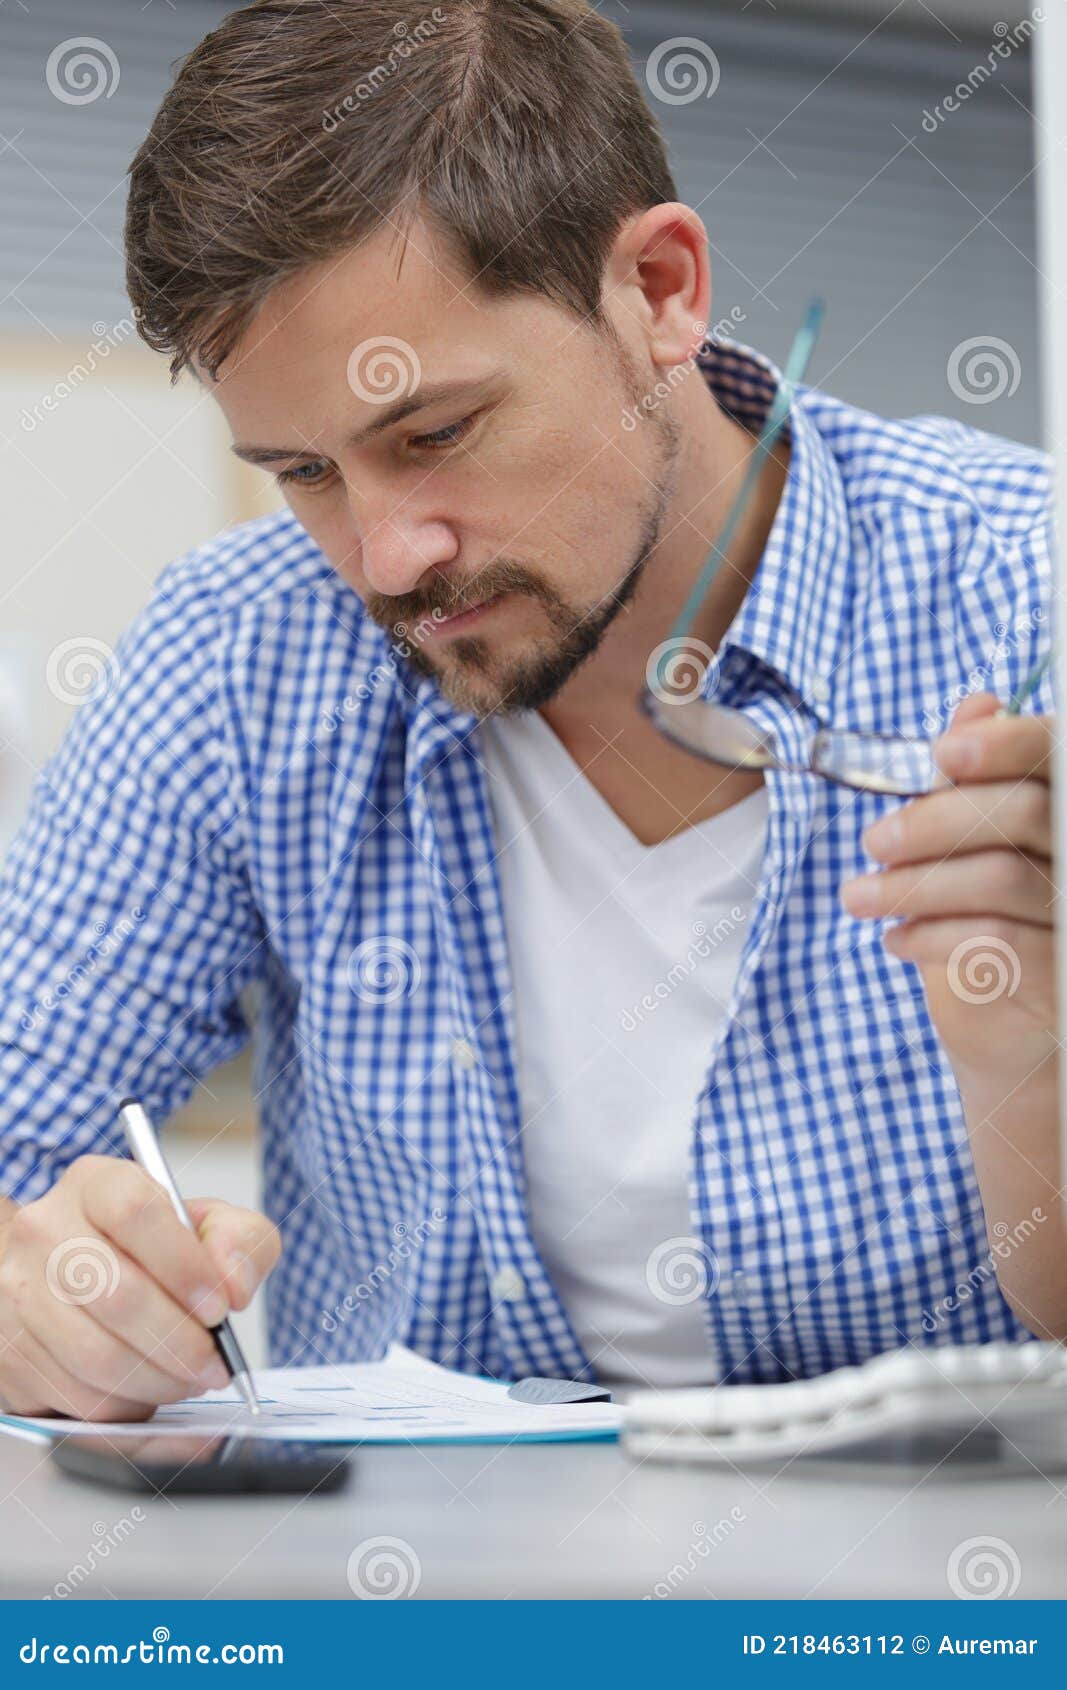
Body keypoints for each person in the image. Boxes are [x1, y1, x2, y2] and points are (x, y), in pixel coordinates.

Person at [0, 0, 1059, 1423]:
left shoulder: (1029, 597)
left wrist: (1034, 1073)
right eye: (304, 471)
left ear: (661, 290)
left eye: (435, 433)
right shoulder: (239, 657)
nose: (388, 559)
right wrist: (42, 1296)